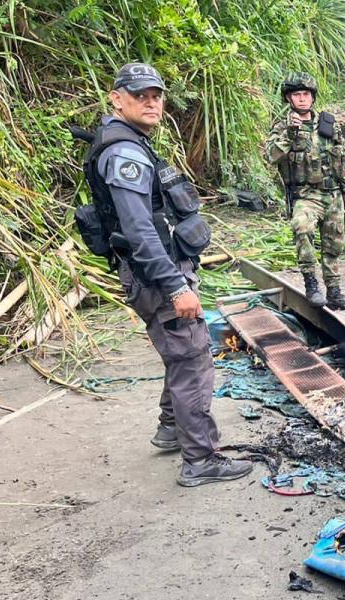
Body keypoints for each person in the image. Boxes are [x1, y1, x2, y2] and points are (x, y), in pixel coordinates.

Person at [82, 62, 252, 487]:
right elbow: (140, 230)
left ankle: (172, 429)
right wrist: (176, 286)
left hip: (149, 274)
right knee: (193, 359)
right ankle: (201, 460)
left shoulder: (128, 143)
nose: (152, 102)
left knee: (178, 353)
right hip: (158, 277)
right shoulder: (124, 153)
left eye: (156, 95)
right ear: (116, 98)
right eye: (140, 95)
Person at [262, 72, 345, 311]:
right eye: (297, 94)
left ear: (312, 97)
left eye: (306, 94)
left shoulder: (327, 122)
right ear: (289, 98)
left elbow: (343, 144)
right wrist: (289, 133)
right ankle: (311, 285)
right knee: (302, 227)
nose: (302, 99)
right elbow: (271, 156)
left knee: (334, 244)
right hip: (306, 194)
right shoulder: (283, 127)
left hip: (334, 193)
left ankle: (335, 293)